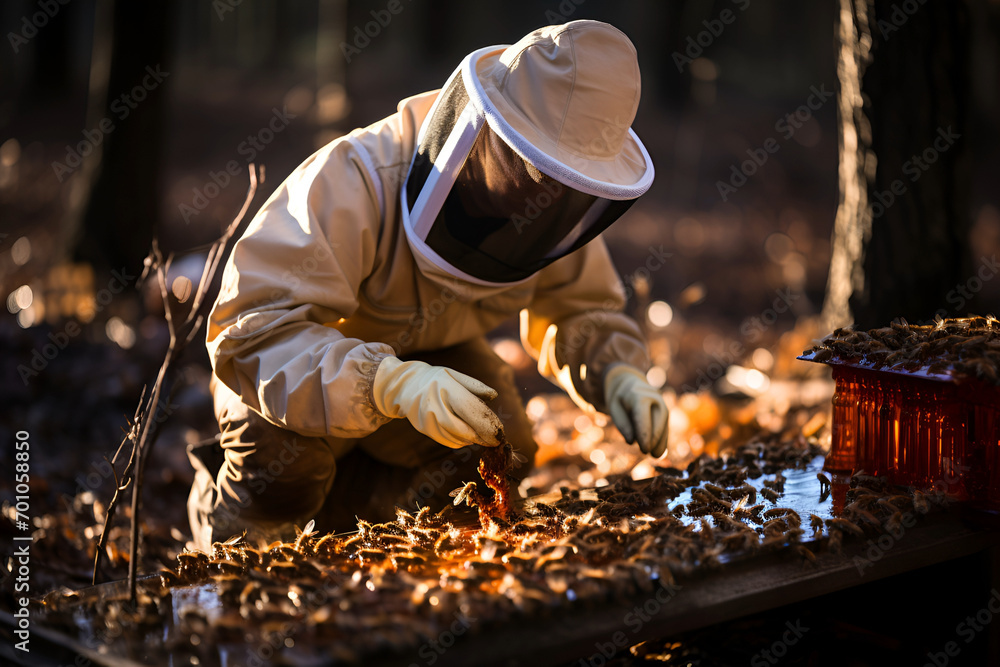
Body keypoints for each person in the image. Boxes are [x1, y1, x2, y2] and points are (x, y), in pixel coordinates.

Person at [187, 19, 669, 552]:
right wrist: (388, 383)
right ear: (486, 128)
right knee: (283, 466)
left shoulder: (548, 210)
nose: (542, 192)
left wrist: (617, 371)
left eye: (564, 182)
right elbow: (253, 332)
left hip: (430, 360)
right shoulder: (354, 179)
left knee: (499, 442)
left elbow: (579, 308)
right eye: (531, 166)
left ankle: (351, 543)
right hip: (302, 372)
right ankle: (229, 545)